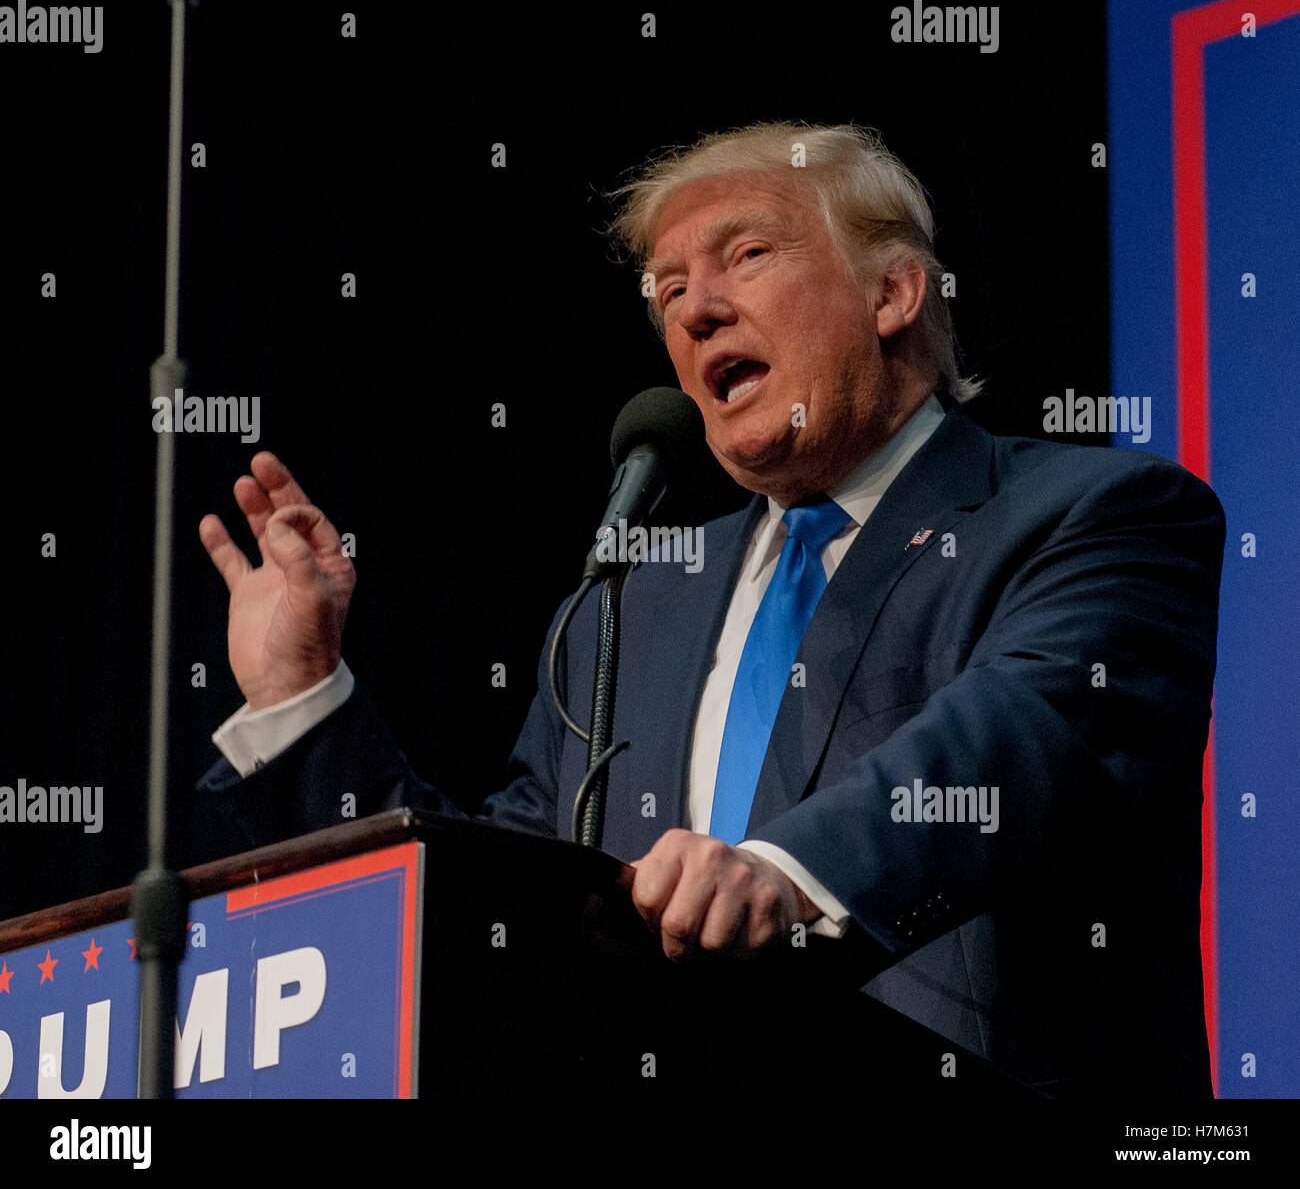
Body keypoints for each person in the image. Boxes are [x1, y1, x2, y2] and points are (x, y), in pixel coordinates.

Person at [195, 123, 1224, 1097]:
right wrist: (302, 700)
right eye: (671, 290)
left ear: (894, 291)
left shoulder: (1093, 515)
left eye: (747, 255)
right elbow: (492, 905)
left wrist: (780, 873)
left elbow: (1016, 739)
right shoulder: (626, 611)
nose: (694, 311)